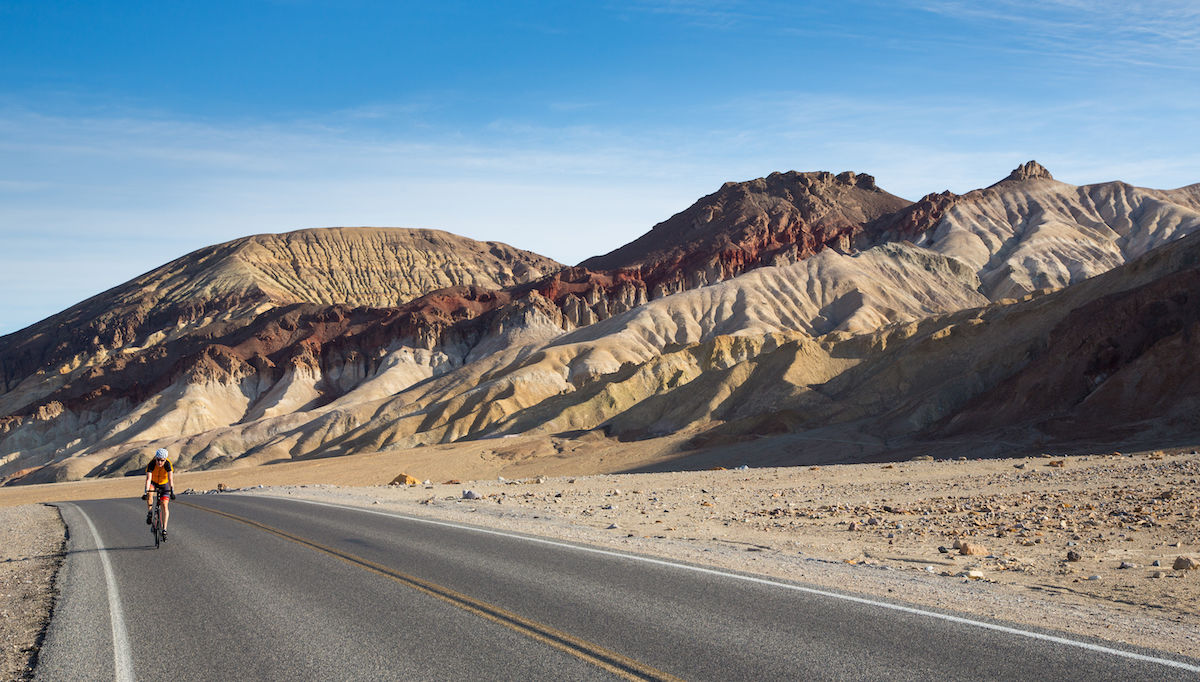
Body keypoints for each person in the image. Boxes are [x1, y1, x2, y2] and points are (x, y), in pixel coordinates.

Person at [143, 448, 176, 540]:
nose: (160, 462)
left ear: (165, 460)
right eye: (158, 460)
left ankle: (164, 529)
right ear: (155, 458)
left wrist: (172, 491)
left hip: (164, 484)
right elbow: (148, 479)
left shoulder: (168, 465)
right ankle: (150, 512)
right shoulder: (152, 464)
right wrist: (146, 492)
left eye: (162, 460)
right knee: (150, 493)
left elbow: (170, 479)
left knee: (164, 505)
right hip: (153, 482)